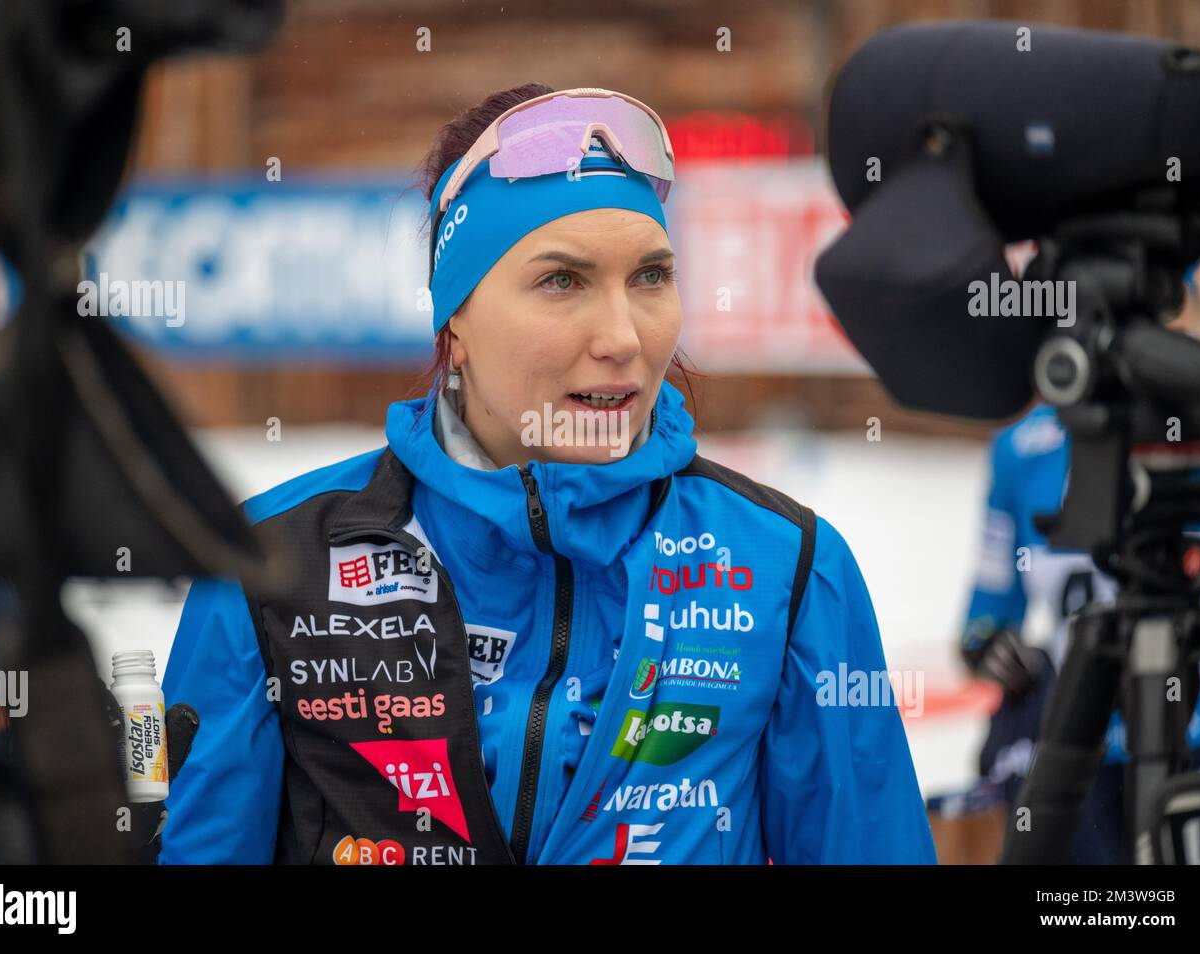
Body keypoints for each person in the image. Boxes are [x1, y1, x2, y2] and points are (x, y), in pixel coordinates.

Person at [159, 84, 935, 865]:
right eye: (562, 281)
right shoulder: (268, 562)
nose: (623, 337)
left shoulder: (787, 565)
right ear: (453, 322)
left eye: (651, 276)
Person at [960, 262, 1200, 863]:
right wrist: (991, 648)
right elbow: (983, 618)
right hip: (1081, 747)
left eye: (1175, 305)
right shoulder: (1022, 450)